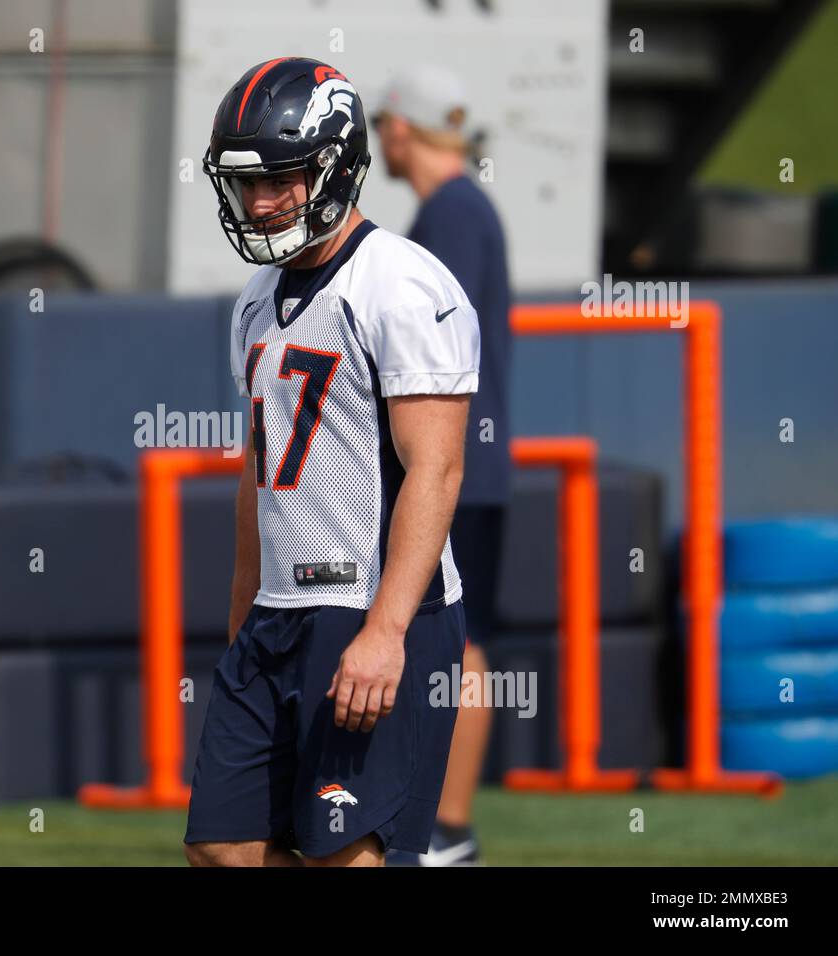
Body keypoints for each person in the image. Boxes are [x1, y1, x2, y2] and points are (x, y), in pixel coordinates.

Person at [183, 57, 478, 867]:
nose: (264, 200)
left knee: (347, 857)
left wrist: (385, 631)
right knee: (221, 850)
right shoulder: (254, 300)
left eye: (285, 177)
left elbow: (437, 471)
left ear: (339, 166)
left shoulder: (403, 285)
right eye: (249, 183)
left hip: (371, 607)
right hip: (279, 614)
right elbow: (259, 475)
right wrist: (243, 621)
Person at [372, 65, 512, 866]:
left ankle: (447, 829)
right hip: (468, 463)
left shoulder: (451, 214)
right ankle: (440, 827)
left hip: (454, 465)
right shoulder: (461, 208)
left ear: (401, 129)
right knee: (461, 642)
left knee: (459, 644)